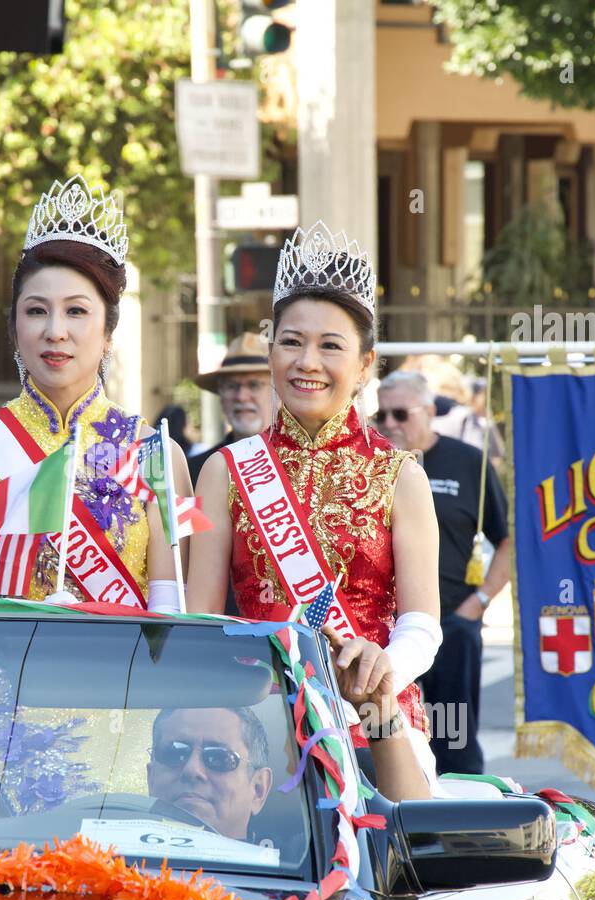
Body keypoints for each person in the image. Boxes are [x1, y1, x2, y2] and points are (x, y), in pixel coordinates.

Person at [186, 221, 441, 799]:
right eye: (291, 341)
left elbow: (423, 626)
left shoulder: (400, 475)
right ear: (271, 346)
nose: (308, 361)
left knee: (400, 863)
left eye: (331, 346)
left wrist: (375, 678)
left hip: (378, 720)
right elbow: (203, 621)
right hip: (257, 726)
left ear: (366, 364)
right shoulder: (226, 470)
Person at [0, 175, 191, 609]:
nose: (55, 331)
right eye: (36, 311)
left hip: (121, 675)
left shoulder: (157, 454)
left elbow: (171, 617)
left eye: (76, 311)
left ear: (108, 332)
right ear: (14, 330)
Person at [374, 371, 510, 776]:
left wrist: (480, 601)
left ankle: (458, 824)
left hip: (450, 623)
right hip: (383, 632)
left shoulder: (468, 462)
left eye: (401, 413)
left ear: (430, 412)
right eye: (381, 416)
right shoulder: (369, 466)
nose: (391, 424)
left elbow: (507, 539)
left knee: (453, 741)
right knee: (382, 735)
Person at [146, 707, 272, 841]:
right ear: (151, 777)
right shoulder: (122, 854)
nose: (192, 769)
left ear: (258, 789)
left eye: (218, 758)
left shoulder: (289, 860)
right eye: (174, 754)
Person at [187, 332, 274, 486]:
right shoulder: (194, 471)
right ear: (220, 396)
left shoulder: (302, 466)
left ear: (279, 392)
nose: (241, 396)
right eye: (231, 386)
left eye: (254, 385)